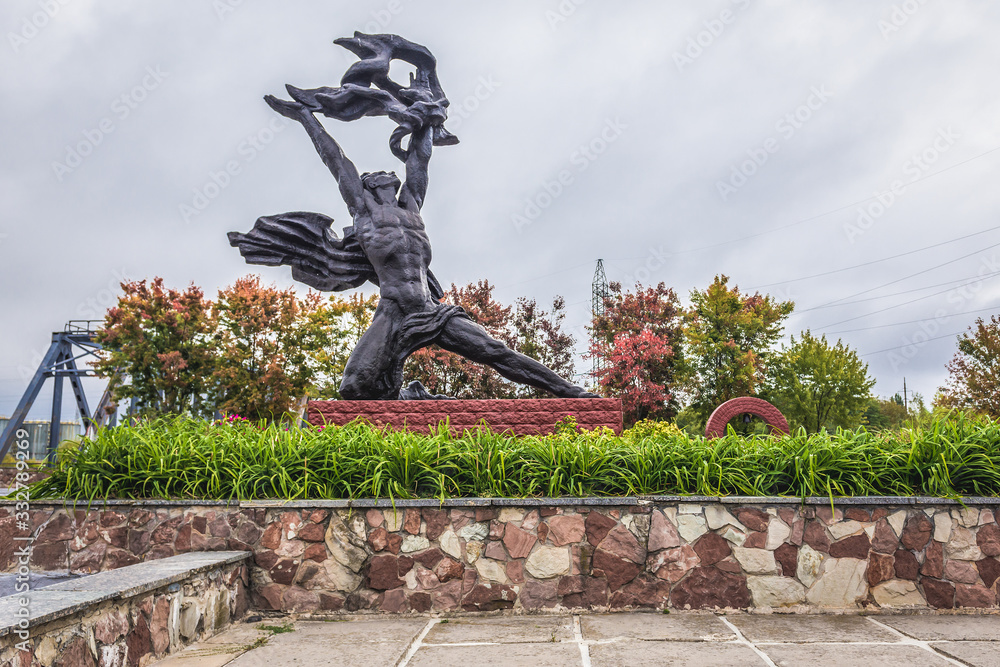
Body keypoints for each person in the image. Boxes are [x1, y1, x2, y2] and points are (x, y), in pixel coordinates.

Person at [235, 95, 597, 400]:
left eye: (392, 176)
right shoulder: (364, 213)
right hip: (394, 312)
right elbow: (336, 159)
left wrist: (426, 120)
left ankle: (572, 393)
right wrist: (305, 117)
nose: (389, 175)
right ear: (369, 185)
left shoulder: (411, 209)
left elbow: (419, 161)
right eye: (380, 176)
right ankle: (405, 396)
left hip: (429, 309)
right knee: (352, 389)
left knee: (496, 352)